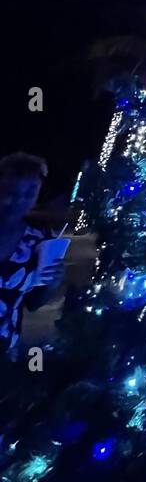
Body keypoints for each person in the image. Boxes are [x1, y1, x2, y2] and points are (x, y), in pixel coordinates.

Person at [0, 153, 64, 357]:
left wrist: (53, 281)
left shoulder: (40, 242)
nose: (18, 201)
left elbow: (33, 303)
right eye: (11, 191)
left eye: (30, 194)